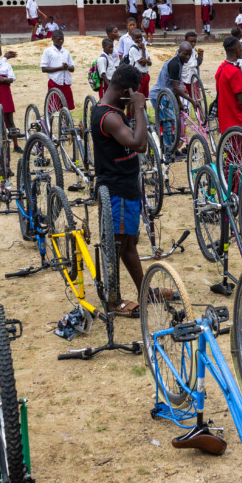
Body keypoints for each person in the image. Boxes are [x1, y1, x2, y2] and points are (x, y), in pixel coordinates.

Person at [91, 64, 149, 316]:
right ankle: (113, 301)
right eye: (134, 92)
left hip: (126, 185)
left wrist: (131, 106)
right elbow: (139, 144)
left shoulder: (112, 110)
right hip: (117, 189)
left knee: (128, 243)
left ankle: (144, 291)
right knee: (117, 244)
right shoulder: (109, 116)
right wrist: (139, 107)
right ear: (127, 90)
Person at [39, 30, 76, 111]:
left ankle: (65, 123)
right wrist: (60, 68)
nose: (61, 41)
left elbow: (72, 68)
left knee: (66, 108)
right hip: (55, 82)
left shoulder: (66, 52)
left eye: (62, 39)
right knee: (52, 108)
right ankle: (49, 123)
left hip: (66, 83)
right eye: (58, 39)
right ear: (53, 39)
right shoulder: (48, 51)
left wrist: (67, 67)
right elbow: (43, 68)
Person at [126, 28, 151, 95]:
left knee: (145, 97)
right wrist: (143, 50)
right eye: (137, 38)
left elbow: (150, 63)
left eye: (140, 37)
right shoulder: (133, 49)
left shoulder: (144, 47)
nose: (139, 39)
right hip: (138, 76)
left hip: (146, 75)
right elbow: (143, 63)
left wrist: (147, 60)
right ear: (133, 38)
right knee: (137, 96)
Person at [180, 31, 204, 102]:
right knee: (184, 100)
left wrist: (200, 56)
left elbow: (196, 64)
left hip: (193, 79)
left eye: (194, 42)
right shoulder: (180, 52)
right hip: (183, 79)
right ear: (186, 41)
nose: (193, 44)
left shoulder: (195, 51)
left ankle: (199, 112)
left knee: (197, 99)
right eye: (191, 42)